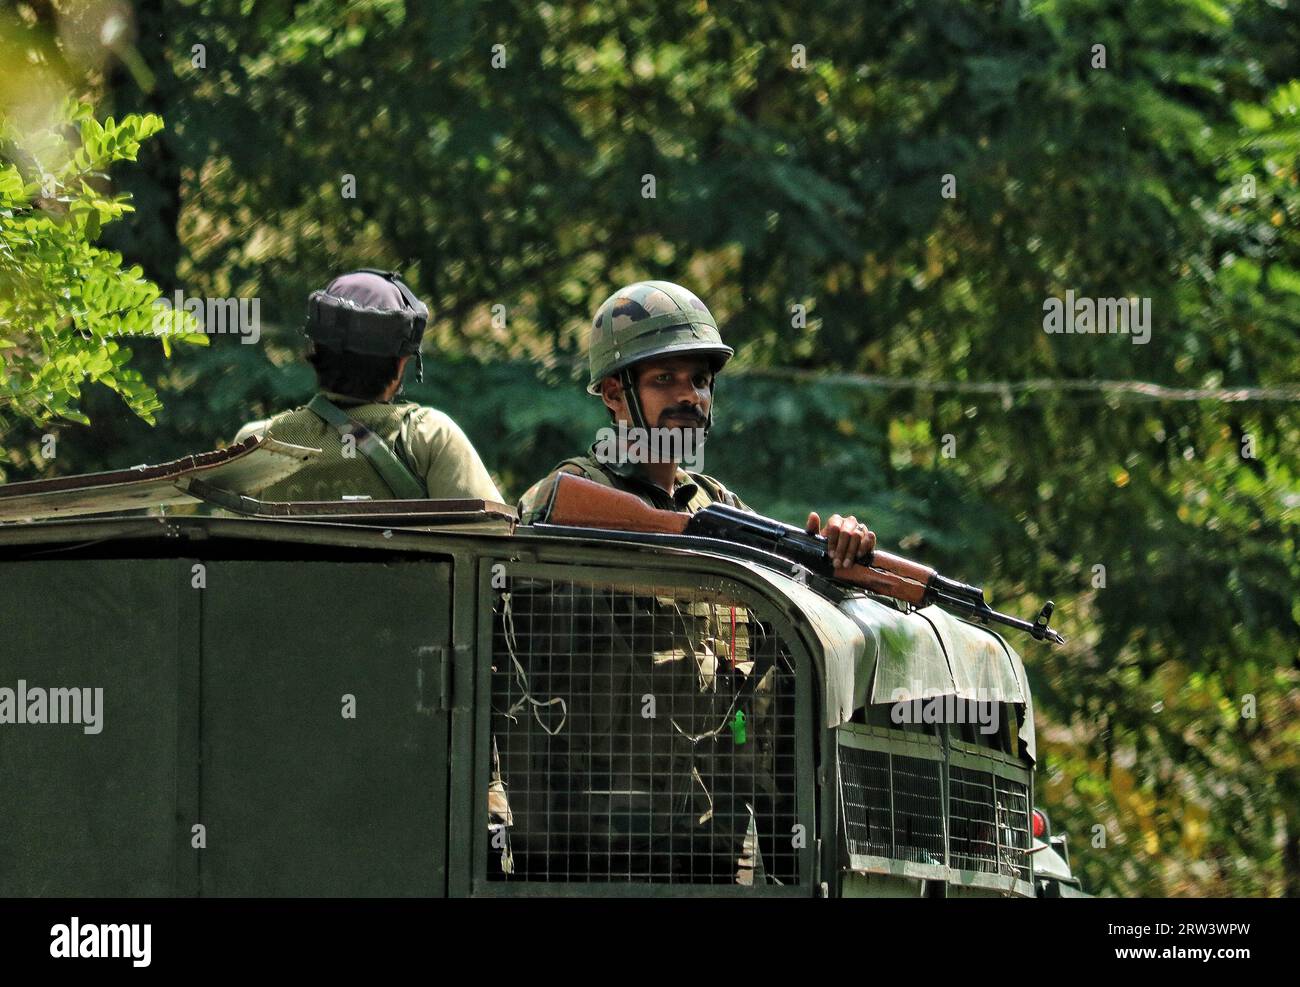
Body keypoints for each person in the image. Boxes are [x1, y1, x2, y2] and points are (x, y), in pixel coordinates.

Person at [517, 279, 874, 564]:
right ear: (613, 394)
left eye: (700, 381)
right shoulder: (566, 496)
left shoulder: (716, 502)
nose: (690, 397)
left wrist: (837, 551)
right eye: (664, 379)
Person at [232, 269, 501, 503]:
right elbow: (492, 540)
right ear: (400, 365)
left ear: (315, 352)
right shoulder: (429, 438)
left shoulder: (257, 442)